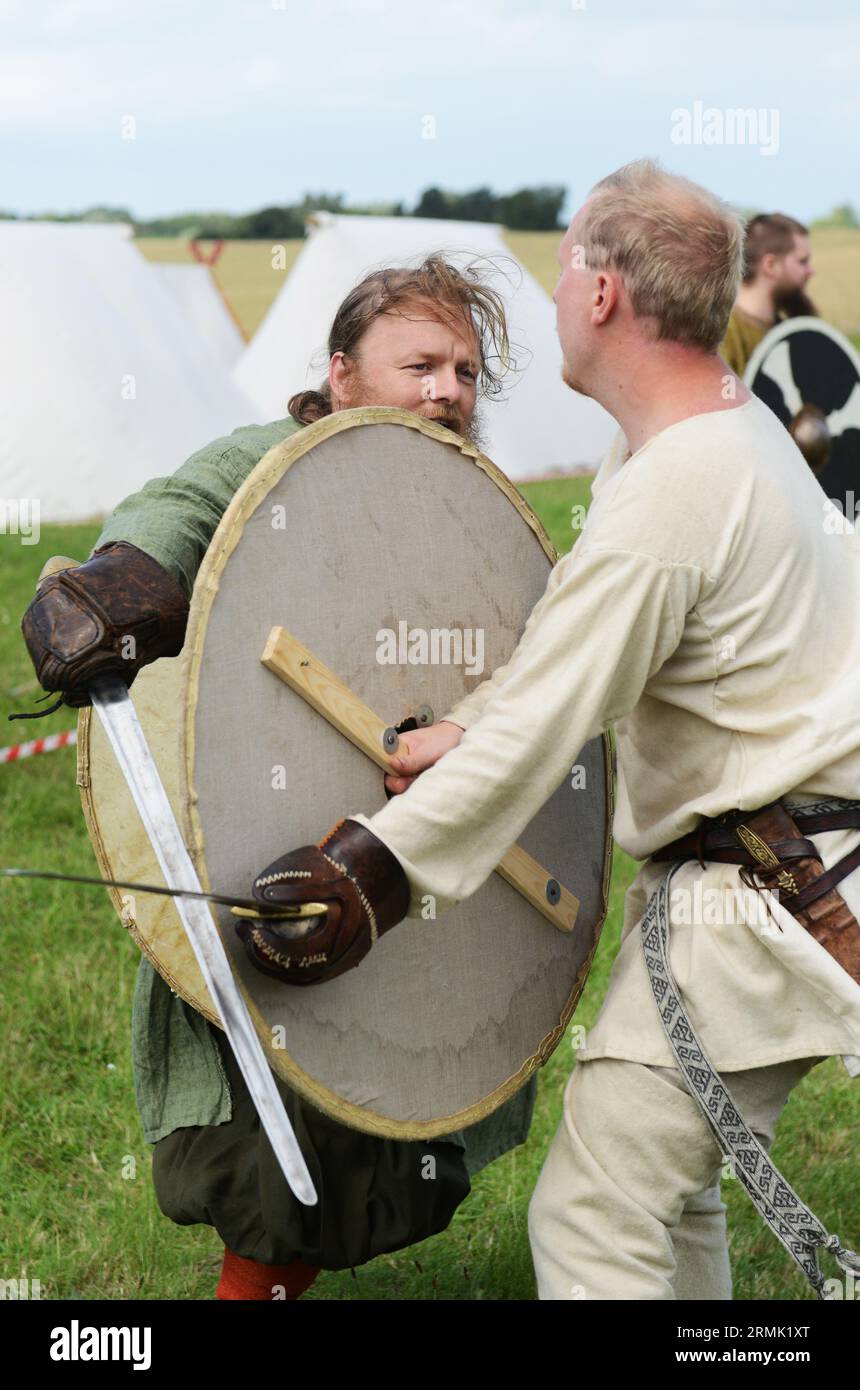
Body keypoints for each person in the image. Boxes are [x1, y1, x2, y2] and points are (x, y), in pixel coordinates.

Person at [247, 159, 860, 1301]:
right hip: (770, 876)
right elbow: (565, 641)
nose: (555, 281)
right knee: (665, 1192)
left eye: (568, 255)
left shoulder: (682, 482)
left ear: (599, 296)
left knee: (591, 1219)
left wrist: (367, 875)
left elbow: (550, 720)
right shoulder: (697, 439)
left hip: (766, 898)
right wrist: (466, 728)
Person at [19, 254, 541, 1301]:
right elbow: (178, 508)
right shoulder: (271, 462)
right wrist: (121, 582)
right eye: (419, 364)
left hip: (403, 858)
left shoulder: (471, 507)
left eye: (467, 371)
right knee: (273, 1128)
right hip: (270, 839)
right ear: (341, 373)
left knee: (381, 1082)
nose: (447, 390)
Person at [720, 212, 816, 377]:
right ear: (770, 265)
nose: (810, 271)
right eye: (802, 262)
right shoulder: (723, 334)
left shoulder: (788, 331)